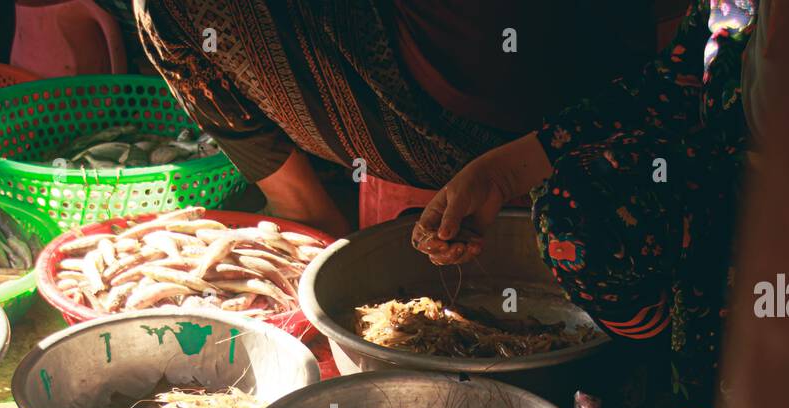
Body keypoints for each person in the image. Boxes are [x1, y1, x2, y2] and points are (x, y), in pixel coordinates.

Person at [414, 0, 758, 408]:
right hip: (726, 206)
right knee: (579, 205)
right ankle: (667, 366)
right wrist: (501, 175)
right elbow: (673, 85)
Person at [133, 0, 654, 237]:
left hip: (554, 110)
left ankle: (304, 209)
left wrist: (510, 169)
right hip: (555, 115)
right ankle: (305, 211)